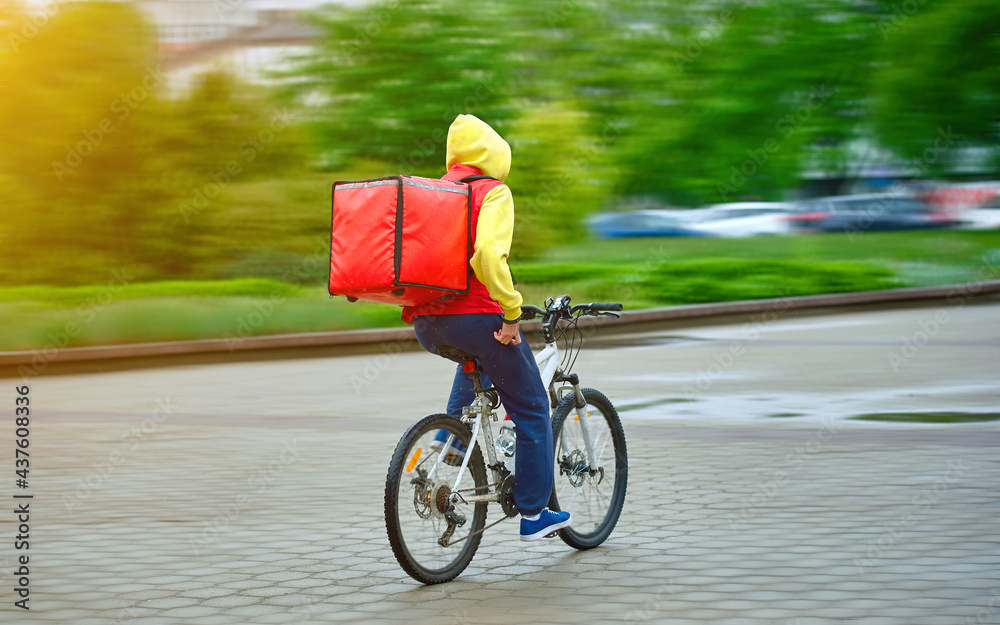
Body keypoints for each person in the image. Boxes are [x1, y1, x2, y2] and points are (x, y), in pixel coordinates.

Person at [402, 114, 571, 542]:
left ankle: (454, 442)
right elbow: (489, 257)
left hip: (427, 323)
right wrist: (512, 314)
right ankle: (534, 515)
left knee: (475, 361)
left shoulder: (433, 192)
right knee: (533, 408)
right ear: (494, 152)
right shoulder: (492, 192)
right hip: (476, 318)